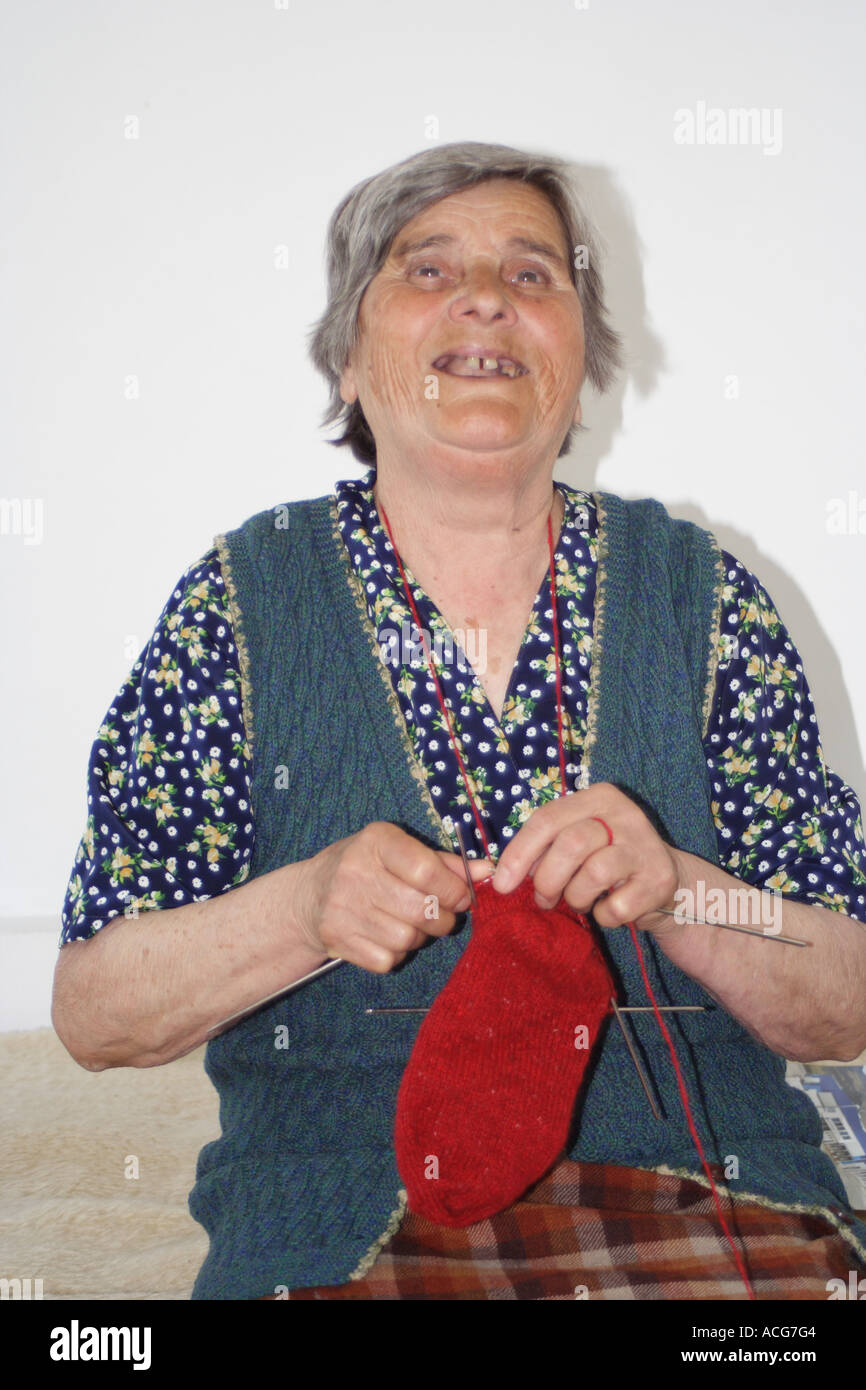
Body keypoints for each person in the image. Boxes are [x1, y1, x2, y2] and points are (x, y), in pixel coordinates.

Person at [53, 141, 866, 1301]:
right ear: (345, 358)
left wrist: (681, 890)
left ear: (581, 360)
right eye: (425, 270)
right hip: (343, 1221)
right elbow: (95, 1013)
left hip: (712, 1204)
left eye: (534, 275)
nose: (486, 295)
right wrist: (306, 906)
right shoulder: (239, 603)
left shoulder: (702, 597)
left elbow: (842, 1002)